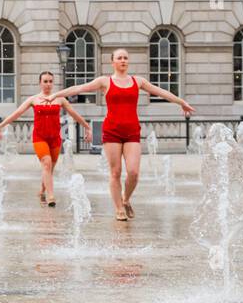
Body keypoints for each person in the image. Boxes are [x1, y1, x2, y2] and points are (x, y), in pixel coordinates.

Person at [49, 48, 193, 220]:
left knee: (133, 172)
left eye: (125, 57)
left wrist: (181, 102)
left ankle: (126, 199)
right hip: (112, 132)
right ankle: (119, 209)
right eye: (119, 58)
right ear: (113, 62)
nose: (123, 60)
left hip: (132, 131)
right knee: (115, 172)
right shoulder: (105, 81)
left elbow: (160, 91)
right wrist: (56, 95)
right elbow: (79, 88)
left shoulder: (137, 81)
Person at [0, 71, 90, 207]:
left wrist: (87, 127)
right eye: (45, 81)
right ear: (40, 83)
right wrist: (1, 126)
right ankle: (51, 197)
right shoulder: (34, 99)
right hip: (39, 137)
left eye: (50, 81)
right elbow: (17, 113)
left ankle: (43, 190)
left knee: (49, 169)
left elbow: (74, 114)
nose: (48, 84)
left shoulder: (60, 99)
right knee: (46, 163)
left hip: (55, 138)